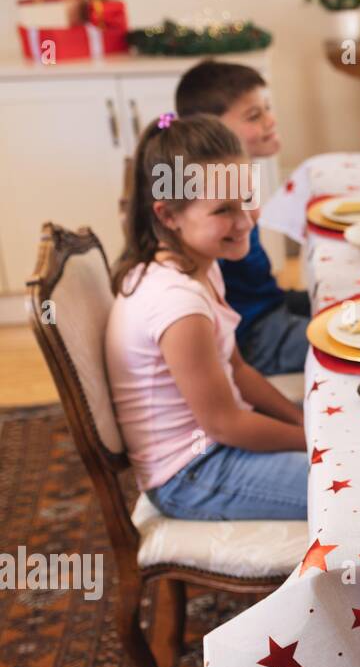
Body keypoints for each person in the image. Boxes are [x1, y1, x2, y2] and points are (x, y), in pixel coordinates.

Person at [106, 114, 308, 520]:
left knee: (354, 437)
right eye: (224, 210)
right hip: (192, 472)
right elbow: (225, 425)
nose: (246, 219)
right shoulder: (178, 305)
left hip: (219, 441)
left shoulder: (201, 264)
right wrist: (315, 443)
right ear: (168, 215)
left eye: (248, 199)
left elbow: (238, 369)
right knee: (352, 489)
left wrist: (305, 425)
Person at [175, 60, 310, 376]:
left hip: (270, 306)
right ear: (210, 129)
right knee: (358, 342)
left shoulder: (234, 179)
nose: (271, 120)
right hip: (254, 336)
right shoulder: (206, 202)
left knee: (351, 302)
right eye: (254, 115)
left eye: (268, 108)